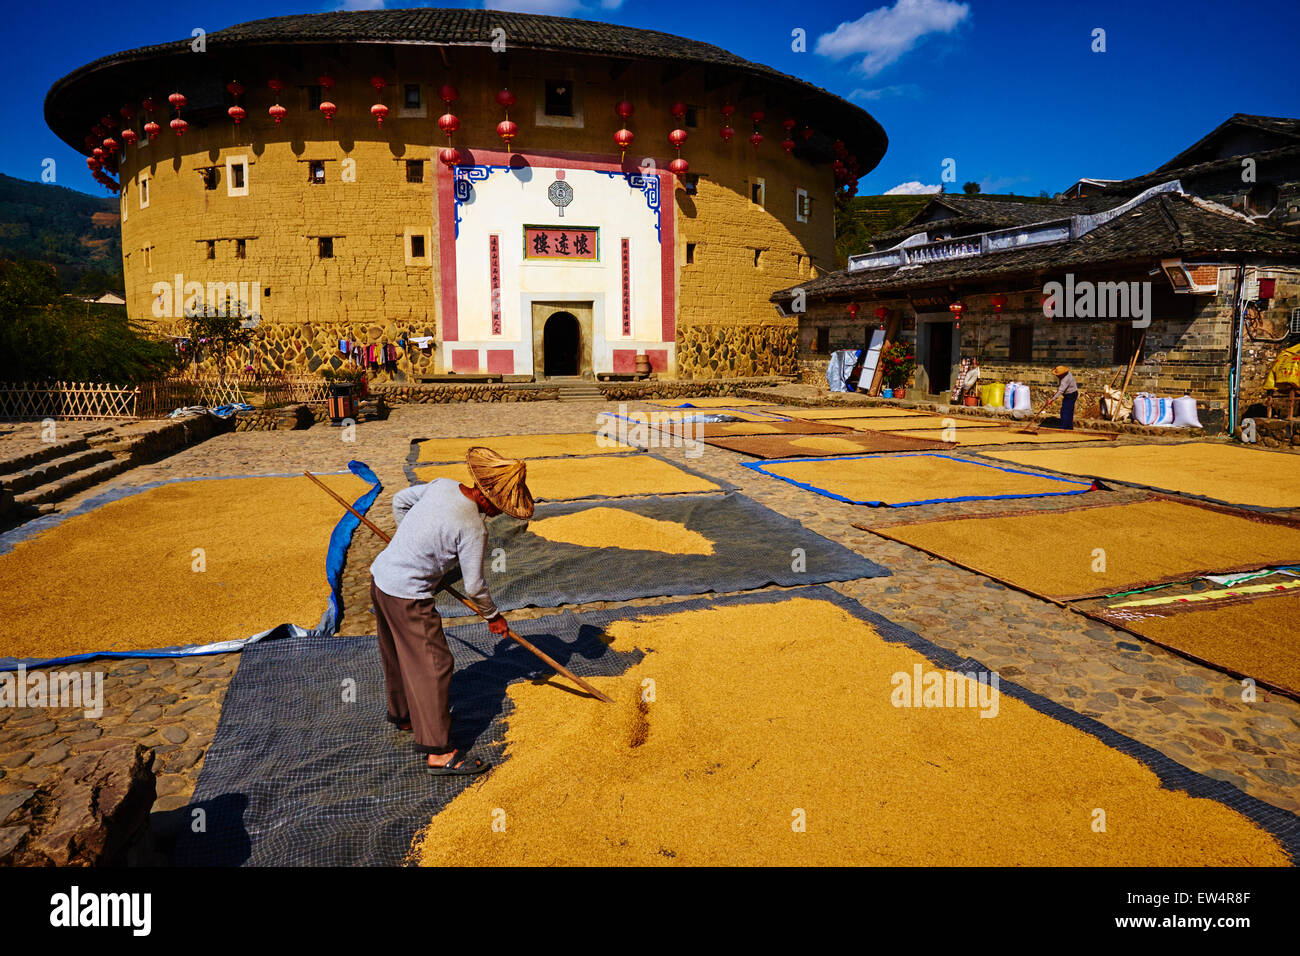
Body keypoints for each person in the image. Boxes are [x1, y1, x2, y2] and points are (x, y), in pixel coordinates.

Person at [369, 446, 534, 775]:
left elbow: (400, 500)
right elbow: (474, 586)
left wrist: (410, 541)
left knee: (398, 652)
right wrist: (493, 617)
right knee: (435, 664)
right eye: (500, 508)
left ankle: (404, 716)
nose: (499, 513)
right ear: (489, 499)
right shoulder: (473, 528)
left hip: (381, 579)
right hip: (408, 595)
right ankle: (439, 752)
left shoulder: (442, 484)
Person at [1049, 365, 1078, 429]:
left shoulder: (1065, 380)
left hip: (1071, 394)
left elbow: (1060, 391)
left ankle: (1064, 427)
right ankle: (1069, 427)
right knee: (1069, 411)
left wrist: (1051, 400)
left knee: (1065, 411)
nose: (1057, 376)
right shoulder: (1067, 374)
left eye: (1058, 375)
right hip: (1071, 393)